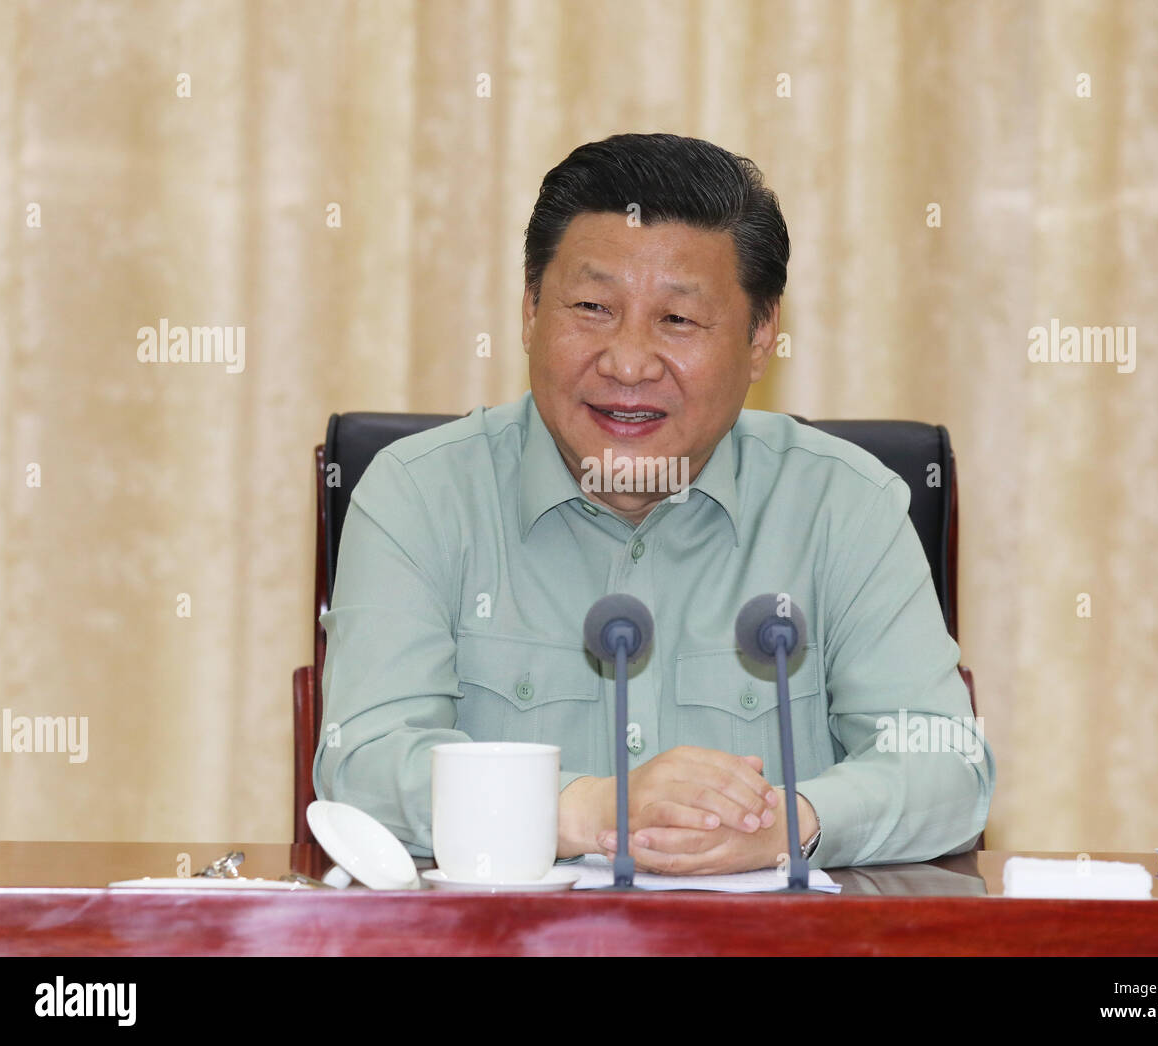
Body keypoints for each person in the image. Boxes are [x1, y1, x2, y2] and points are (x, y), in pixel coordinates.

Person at [313, 132, 994, 874]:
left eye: (678, 320)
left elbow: (946, 766)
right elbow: (365, 762)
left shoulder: (844, 506)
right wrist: (587, 810)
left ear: (760, 337)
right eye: (592, 307)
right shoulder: (418, 496)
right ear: (530, 311)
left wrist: (786, 824)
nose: (629, 363)